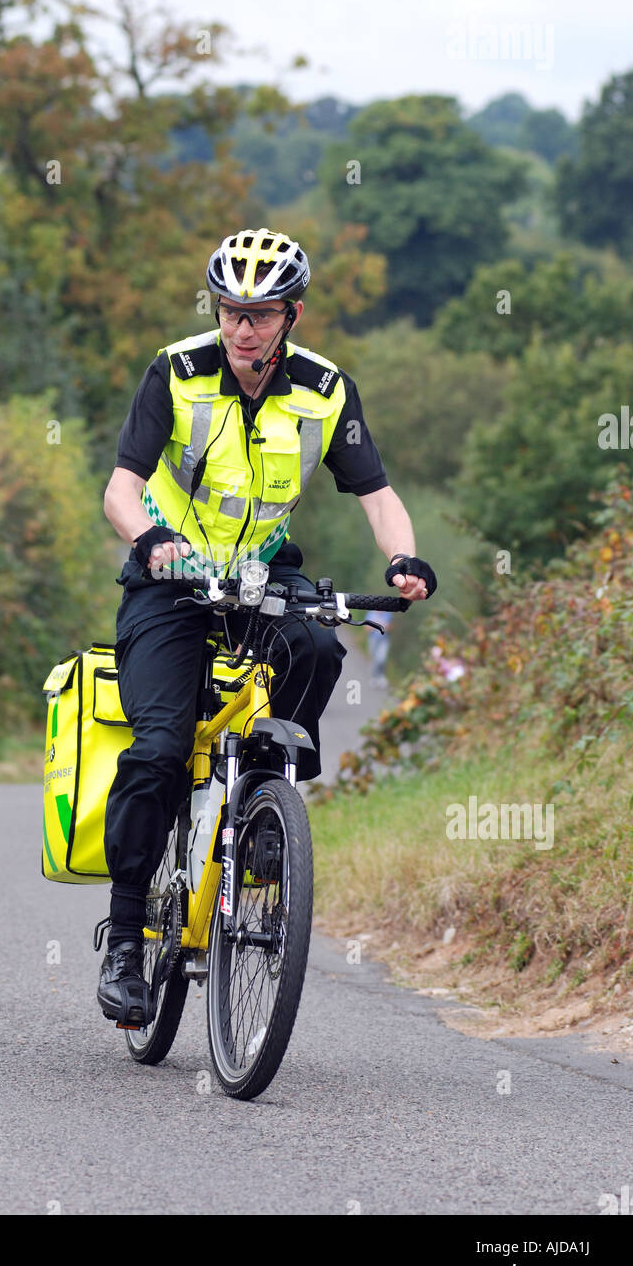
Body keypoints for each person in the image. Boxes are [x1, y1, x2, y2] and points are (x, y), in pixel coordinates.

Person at [97, 227, 437, 1026]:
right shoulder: (177, 373)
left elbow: (377, 495)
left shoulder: (325, 390)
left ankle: (266, 800)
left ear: (293, 314)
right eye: (230, 310)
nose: (241, 327)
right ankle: (122, 938)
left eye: (259, 313)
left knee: (320, 643)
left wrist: (403, 560)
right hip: (171, 577)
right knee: (157, 747)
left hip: (262, 571)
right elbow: (120, 486)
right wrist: (149, 540)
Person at [366, 609, 394, 689]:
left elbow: (391, 626)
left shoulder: (387, 614)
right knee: (374, 659)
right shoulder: (370, 614)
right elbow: (367, 628)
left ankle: (381, 676)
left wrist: (385, 627)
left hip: (384, 640)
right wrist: (377, 626)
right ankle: (374, 678)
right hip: (373, 640)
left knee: (381, 659)